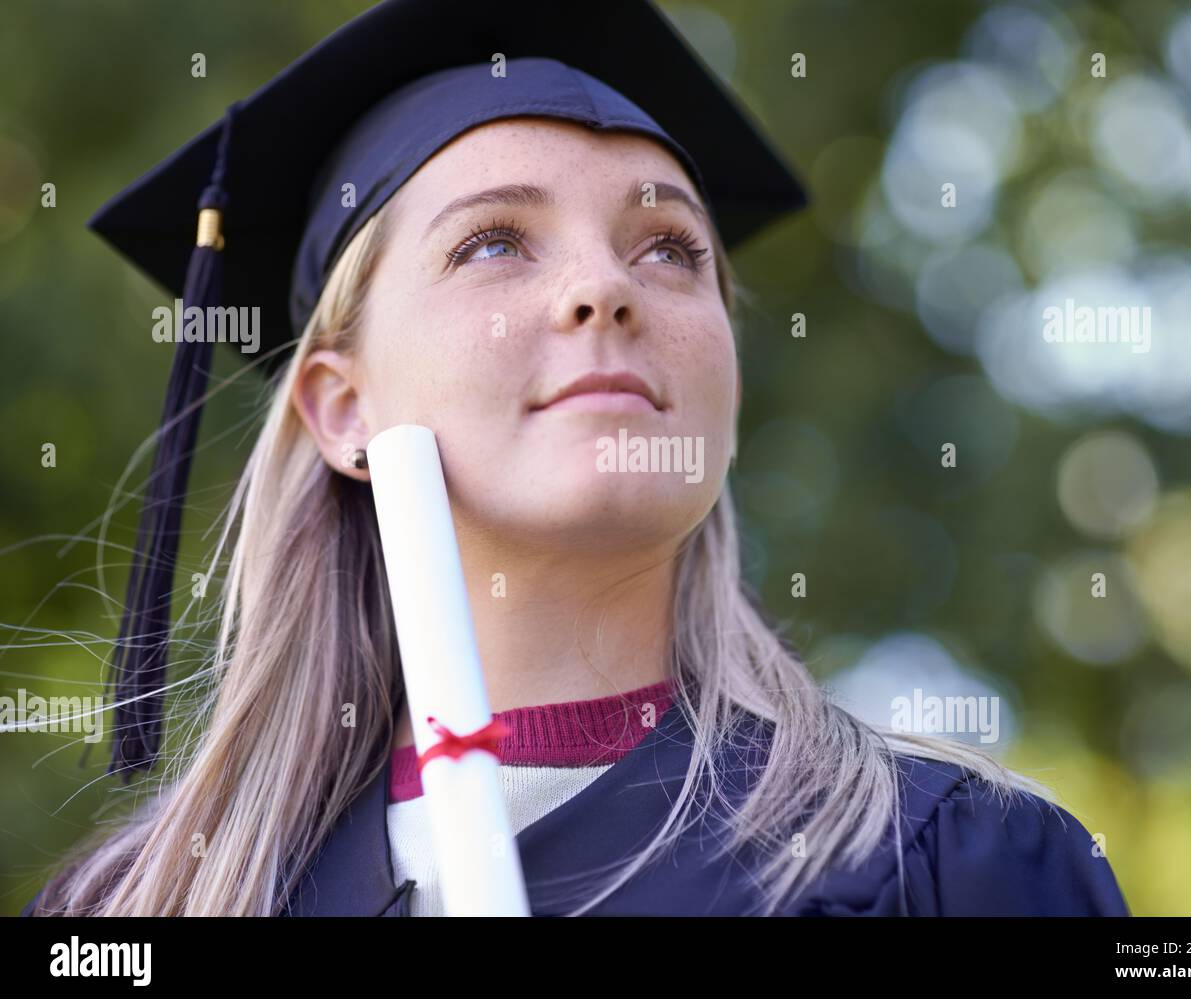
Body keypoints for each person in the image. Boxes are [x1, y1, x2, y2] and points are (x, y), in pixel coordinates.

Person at [20, 0, 1129, 917]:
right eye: (493, 241)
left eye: (671, 248)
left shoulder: (949, 865)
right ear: (340, 406)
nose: (606, 288)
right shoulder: (137, 915)